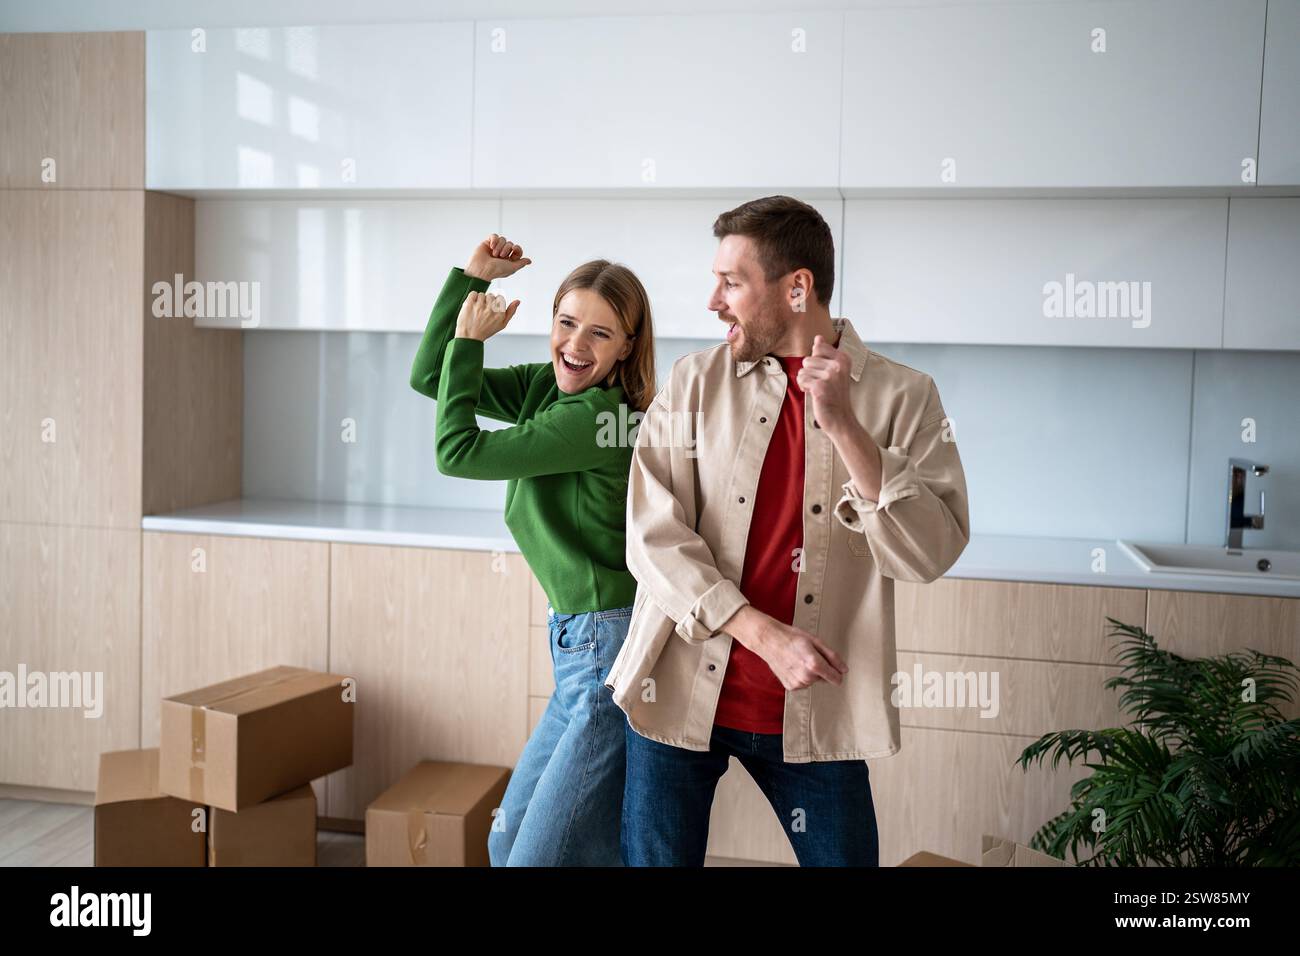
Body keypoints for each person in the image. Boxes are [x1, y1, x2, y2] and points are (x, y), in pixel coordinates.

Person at [606, 196, 971, 866]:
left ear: (797, 287)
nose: (714, 300)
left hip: (813, 714)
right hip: (679, 694)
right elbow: (651, 536)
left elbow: (930, 552)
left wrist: (846, 428)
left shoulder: (902, 397)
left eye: (732, 282)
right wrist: (762, 633)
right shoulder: (692, 382)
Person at [410, 233, 656, 865]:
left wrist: (470, 341)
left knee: (537, 858)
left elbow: (455, 452)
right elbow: (431, 376)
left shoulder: (592, 420)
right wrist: (472, 279)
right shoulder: (548, 391)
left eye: (600, 334)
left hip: (605, 650)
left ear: (628, 345)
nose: (575, 345)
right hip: (580, 646)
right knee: (508, 840)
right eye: (566, 322)